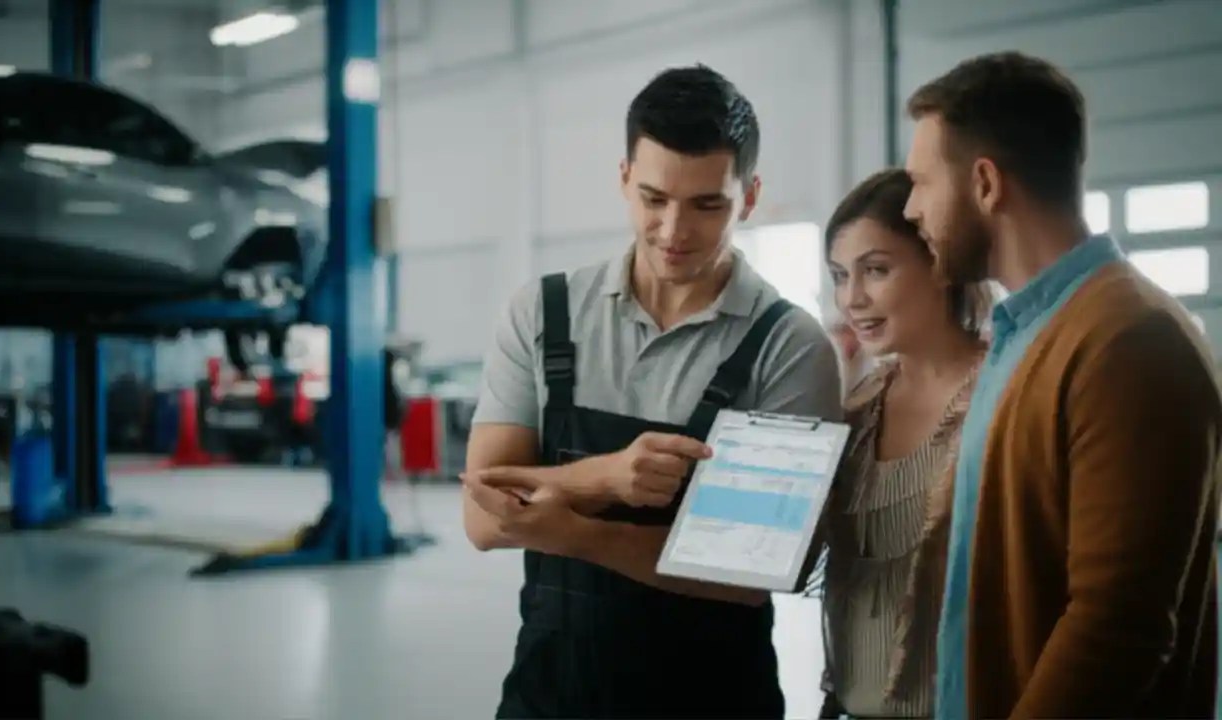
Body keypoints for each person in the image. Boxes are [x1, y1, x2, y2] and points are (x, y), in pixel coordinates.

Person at [460, 64, 843, 719]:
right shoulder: (544, 314)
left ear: (749, 196)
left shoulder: (788, 347)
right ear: (623, 179)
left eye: (707, 205)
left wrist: (578, 532)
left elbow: (759, 572)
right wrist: (607, 477)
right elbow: (482, 516)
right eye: (654, 198)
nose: (673, 231)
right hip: (548, 698)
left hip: (714, 702)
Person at [902, 51, 1221, 719]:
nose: (910, 209)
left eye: (922, 184)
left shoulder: (1130, 340)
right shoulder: (1021, 334)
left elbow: (1117, 628)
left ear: (985, 183)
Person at [813, 168, 989, 718]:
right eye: (840, 275)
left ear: (939, 262)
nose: (852, 298)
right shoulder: (858, 409)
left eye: (876, 270)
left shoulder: (1005, 396)